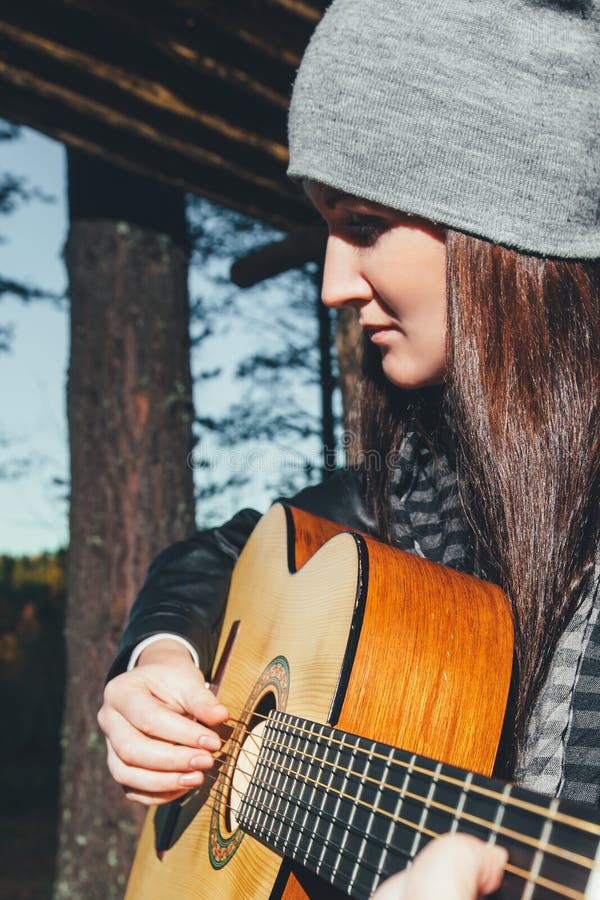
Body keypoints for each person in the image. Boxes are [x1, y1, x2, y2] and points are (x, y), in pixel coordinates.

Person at [98, 0, 600, 896]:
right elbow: (234, 550)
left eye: (362, 224)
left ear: (510, 225)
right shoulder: (428, 475)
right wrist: (160, 658)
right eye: (323, 222)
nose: (331, 283)